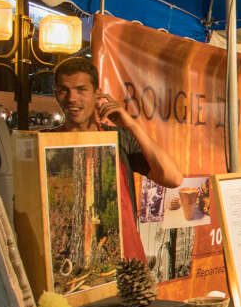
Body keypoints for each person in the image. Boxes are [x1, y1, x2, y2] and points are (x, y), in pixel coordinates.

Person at [52, 58, 183, 260]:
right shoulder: (47, 143)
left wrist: (132, 126)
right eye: (64, 90)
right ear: (55, 95)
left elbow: (172, 178)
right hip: (67, 263)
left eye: (81, 89)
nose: (72, 98)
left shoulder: (120, 138)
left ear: (97, 94)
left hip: (124, 262)